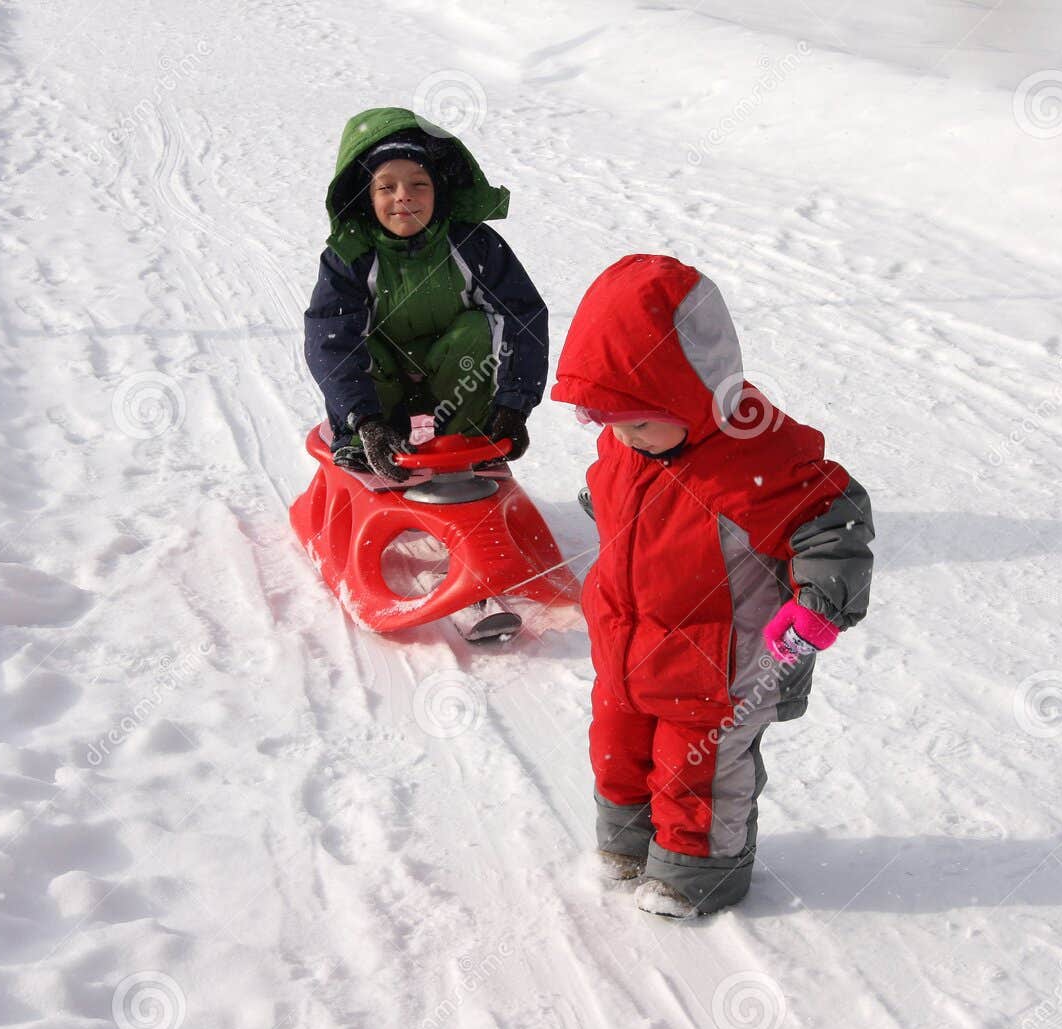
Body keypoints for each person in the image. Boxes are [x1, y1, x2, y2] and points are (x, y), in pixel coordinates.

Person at [552, 254, 875, 919]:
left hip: (718, 667)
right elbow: (620, 490)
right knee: (617, 749)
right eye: (609, 421)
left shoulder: (759, 453)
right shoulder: (631, 443)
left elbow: (831, 523)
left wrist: (818, 602)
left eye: (639, 420)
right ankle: (628, 845)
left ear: (693, 389)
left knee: (694, 771)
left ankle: (698, 871)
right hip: (626, 646)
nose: (624, 437)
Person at [304, 108, 548, 482]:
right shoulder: (349, 256)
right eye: (386, 187)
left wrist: (514, 406)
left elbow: (520, 317)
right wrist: (365, 419)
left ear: (438, 190)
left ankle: (471, 438)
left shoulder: (472, 244)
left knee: (477, 329)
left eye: (419, 184)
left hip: (452, 376)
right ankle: (365, 440)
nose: (404, 197)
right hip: (382, 388)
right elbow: (330, 342)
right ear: (367, 197)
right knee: (355, 341)